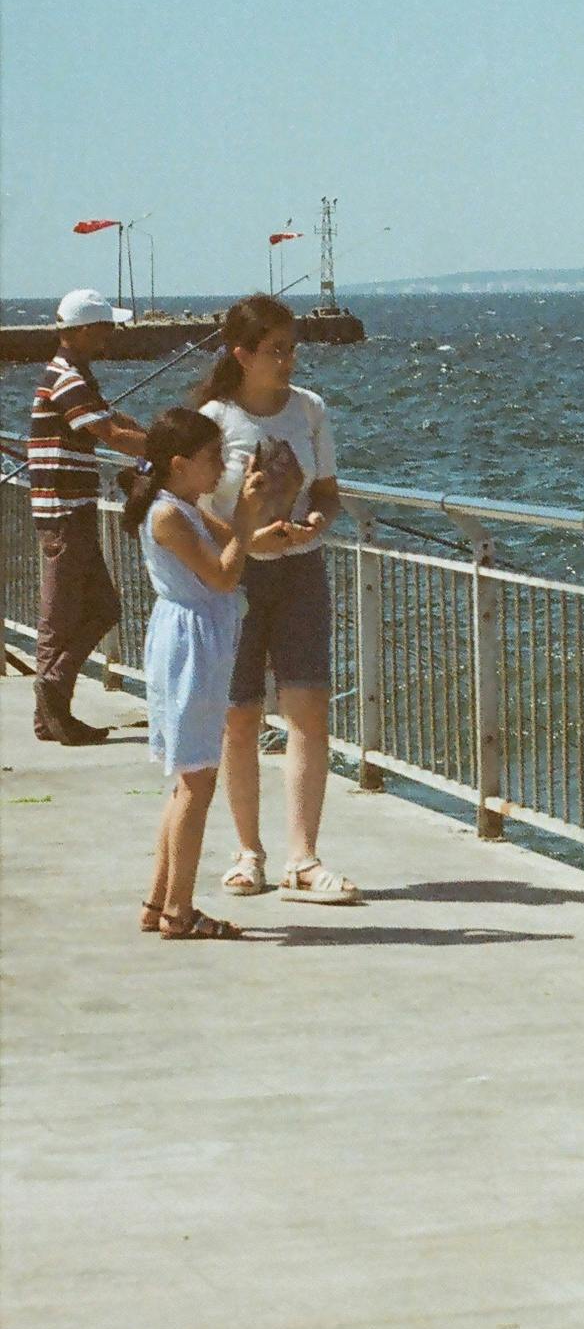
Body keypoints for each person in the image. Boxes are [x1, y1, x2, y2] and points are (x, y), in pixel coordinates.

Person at [197, 296, 362, 905]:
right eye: (275, 350)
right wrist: (248, 538)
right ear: (242, 354)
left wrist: (317, 520)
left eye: (292, 348)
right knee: (239, 716)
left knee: (307, 712)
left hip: (300, 572)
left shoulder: (311, 411)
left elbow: (327, 490)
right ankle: (248, 853)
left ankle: (303, 857)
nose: (287, 360)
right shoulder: (214, 419)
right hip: (239, 580)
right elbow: (194, 509)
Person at [125, 408, 297, 938]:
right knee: (197, 779)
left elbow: (247, 543)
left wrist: (277, 521)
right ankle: (180, 911)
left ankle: (159, 903)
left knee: (186, 780)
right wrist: (245, 520)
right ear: (178, 464)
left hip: (198, 641)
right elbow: (224, 574)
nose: (220, 467)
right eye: (211, 458)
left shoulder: (187, 508)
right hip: (190, 646)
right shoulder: (169, 516)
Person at [29, 288, 146, 743]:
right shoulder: (67, 379)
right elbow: (109, 432)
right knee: (63, 617)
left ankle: (50, 711)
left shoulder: (74, 376)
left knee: (99, 608)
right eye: (104, 327)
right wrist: (171, 450)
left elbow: (115, 420)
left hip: (71, 510)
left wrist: (155, 432)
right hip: (64, 512)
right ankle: (54, 700)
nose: (110, 335)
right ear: (80, 332)